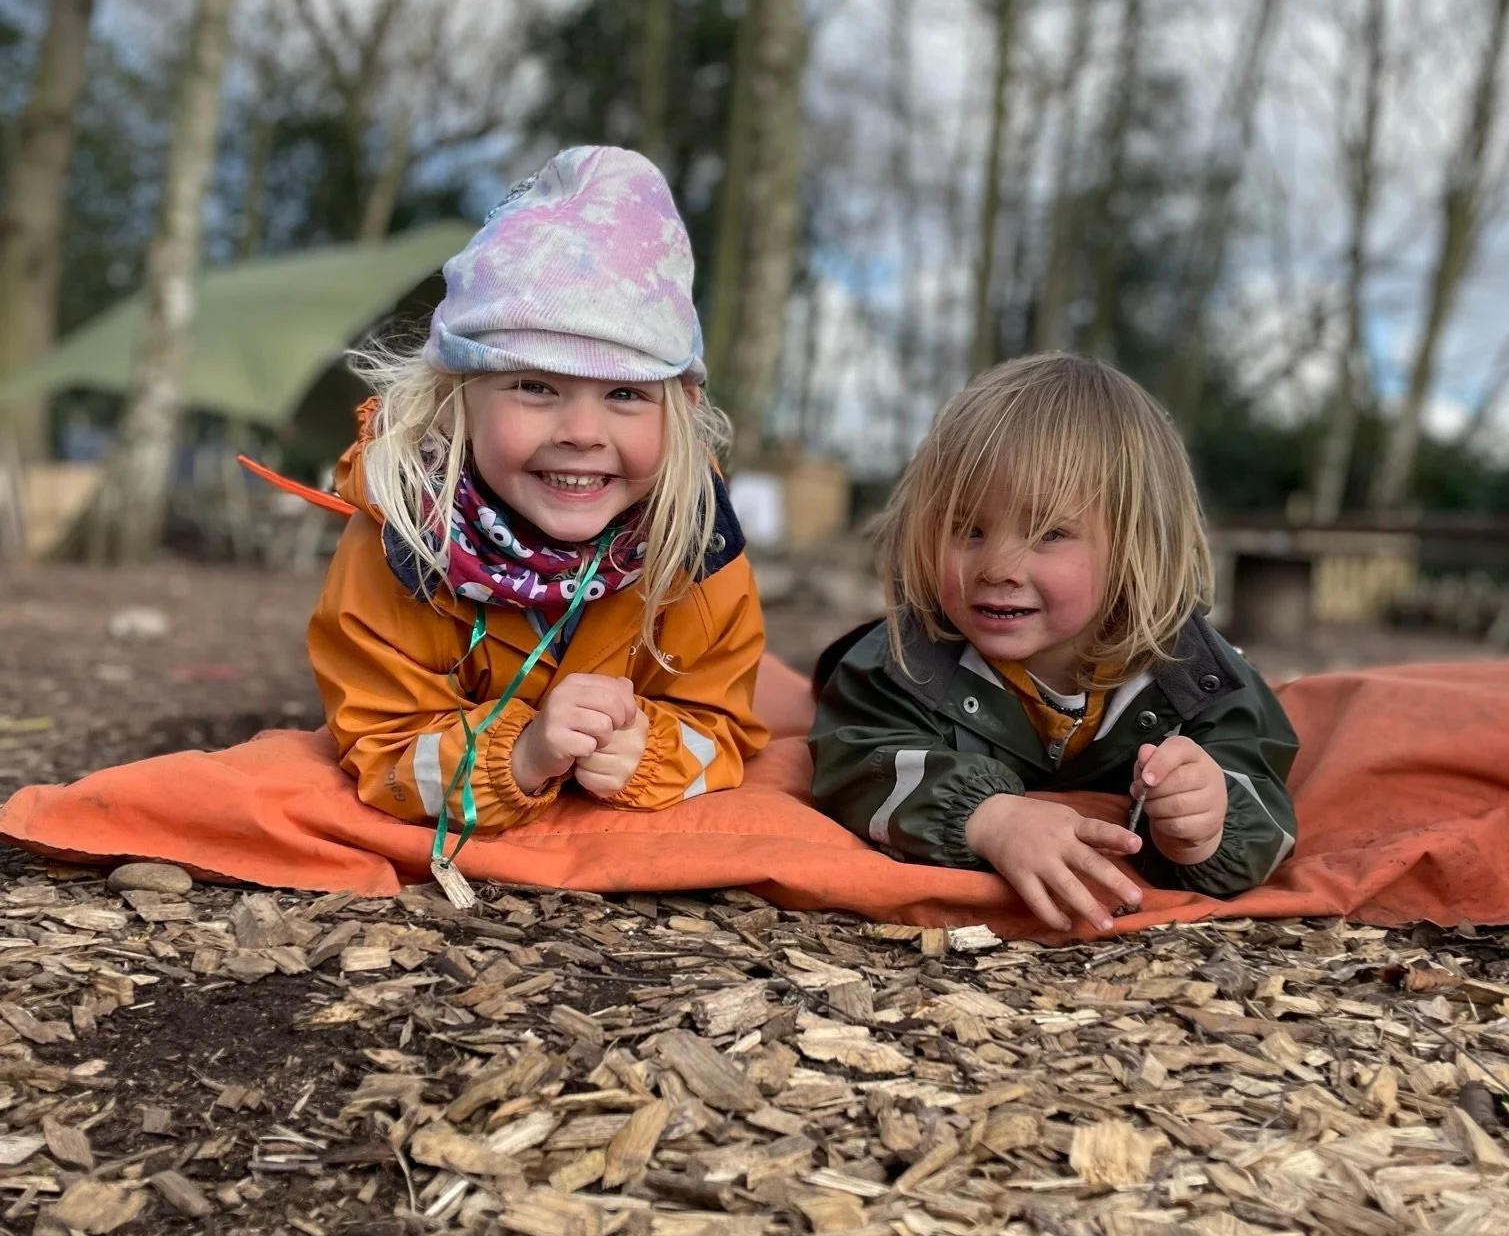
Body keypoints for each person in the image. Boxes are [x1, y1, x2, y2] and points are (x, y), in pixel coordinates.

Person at [308, 146, 768, 901]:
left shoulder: (699, 551)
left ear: (679, 410)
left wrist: (650, 750)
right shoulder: (403, 545)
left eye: (626, 394)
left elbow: (721, 723)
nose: (582, 432)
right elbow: (380, 744)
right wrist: (516, 752)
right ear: (458, 397)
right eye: (535, 387)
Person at [809, 354, 1298, 932]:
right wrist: (984, 817)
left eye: (1049, 533)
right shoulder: (907, 658)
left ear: (1136, 545)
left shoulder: (1193, 673)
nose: (997, 566)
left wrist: (1211, 822)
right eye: (968, 529)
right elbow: (854, 754)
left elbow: (1261, 778)